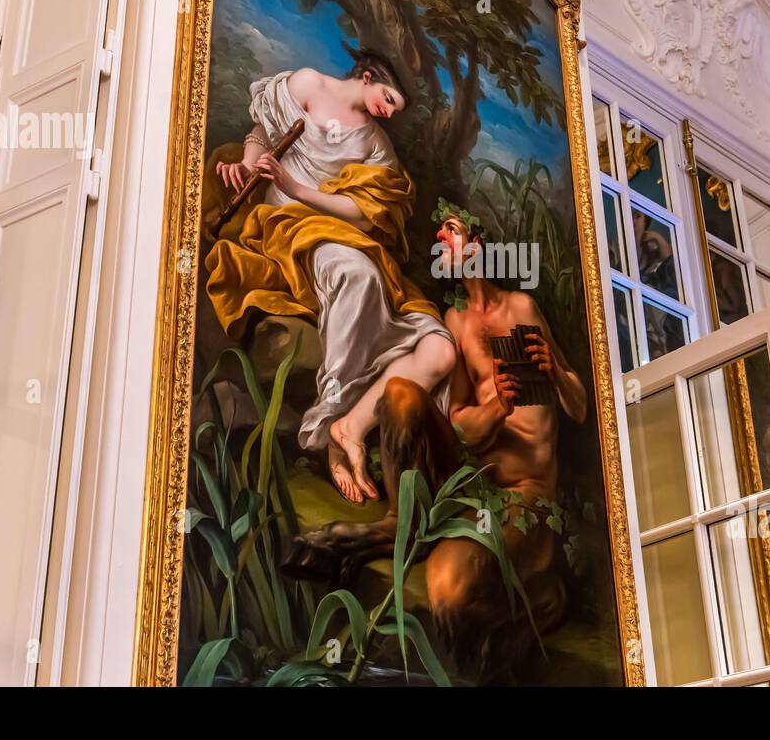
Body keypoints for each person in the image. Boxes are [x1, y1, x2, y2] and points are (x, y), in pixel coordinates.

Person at [284, 203, 588, 680]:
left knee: (446, 593)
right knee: (402, 394)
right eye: (440, 236)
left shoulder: (522, 308)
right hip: (470, 481)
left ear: (480, 247)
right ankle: (396, 523)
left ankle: (545, 601)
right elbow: (460, 422)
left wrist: (551, 366)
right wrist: (496, 409)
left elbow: (579, 407)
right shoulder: (456, 322)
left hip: (521, 491)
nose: (442, 240)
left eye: (452, 231)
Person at [206, 51, 456, 504]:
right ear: (367, 77)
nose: (387, 112)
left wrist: (299, 184)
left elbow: (362, 215)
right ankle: (331, 420)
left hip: (334, 228)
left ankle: (349, 425)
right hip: (286, 221)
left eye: (394, 110)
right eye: (387, 99)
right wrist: (248, 167)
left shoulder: (377, 145)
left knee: (426, 334)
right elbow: (264, 131)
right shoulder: (307, 83)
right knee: (356, 275)